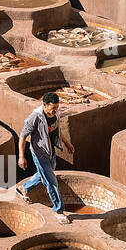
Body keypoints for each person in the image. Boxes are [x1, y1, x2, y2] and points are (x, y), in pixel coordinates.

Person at [16, 92, 74, 223]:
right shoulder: (34, 118)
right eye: (53, 108)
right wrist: (21, 156)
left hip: (50, 151)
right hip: (39, 154)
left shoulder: (55, 114)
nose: (55, 110)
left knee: (46, 174)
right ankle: (58, 210)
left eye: (57, 107)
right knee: (51, 181)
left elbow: (57, 130)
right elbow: (23, 137)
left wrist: (67, 143)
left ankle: (24, 188)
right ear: (44, 105)